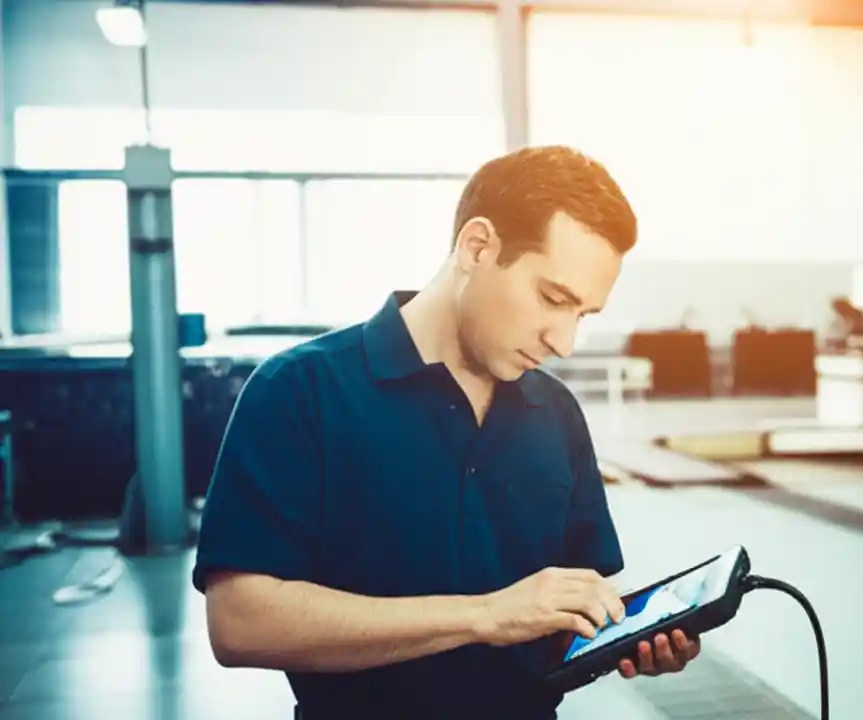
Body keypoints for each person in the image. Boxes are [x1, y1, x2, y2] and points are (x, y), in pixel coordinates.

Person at [193, 146, 701, 719]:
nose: (564, 340)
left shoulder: (556, 414)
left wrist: (623, 637)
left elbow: (553, 625)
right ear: (477, 247)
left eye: (582, 314)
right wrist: (483, 615)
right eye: (553, 299)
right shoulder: (299, 392)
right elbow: (240, 622)